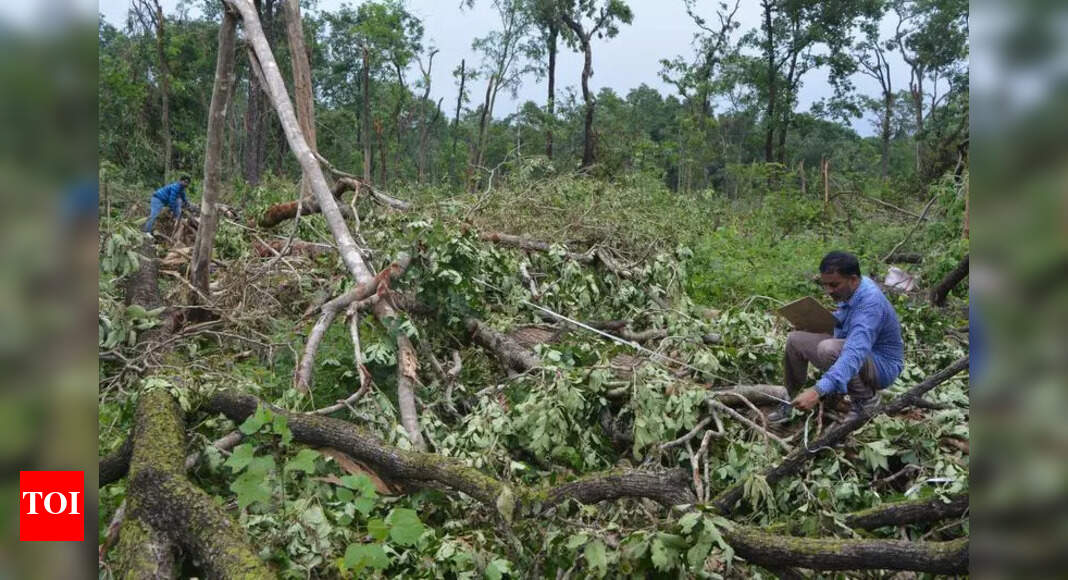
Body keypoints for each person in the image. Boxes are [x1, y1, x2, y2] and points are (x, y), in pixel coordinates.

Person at [769, 251, 905, 424]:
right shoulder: (852, 289)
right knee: (795, 340)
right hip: (859, 352)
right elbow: (845, 325)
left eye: (834, 285)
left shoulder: (870, 303)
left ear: (853, 279)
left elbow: (854, 353)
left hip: (882, 365)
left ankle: (865, 401)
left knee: (828, 349)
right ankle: (792, 397)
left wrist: (817, 390)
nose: (828, 291)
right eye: (825, 285)